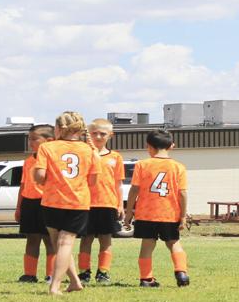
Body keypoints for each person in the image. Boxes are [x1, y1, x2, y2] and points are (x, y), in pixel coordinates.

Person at [32, 111, 97, 296]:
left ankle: (55, 285)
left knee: (59, 244)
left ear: (59, 128)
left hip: (52, 201)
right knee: (65, 245)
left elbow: (40, 176)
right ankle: (74, 282)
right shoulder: (89, 150)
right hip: (77, 201)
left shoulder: (47, 147)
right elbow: (93, 181)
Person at [125, 129, 191, 288]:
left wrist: (129, 212)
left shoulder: (142, 165)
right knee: (173, 243)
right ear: (172, 146)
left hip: (146, 214)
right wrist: (183, 216)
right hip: (169, 213)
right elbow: (182, 193)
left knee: (147, 245)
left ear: (148, 146)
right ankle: (181, 272)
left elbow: (134, 190)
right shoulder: (178, 167)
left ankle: (146, 279)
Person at [78, 119, 125, 284]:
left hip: (107, 203)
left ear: (110, 135)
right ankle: (84, 272)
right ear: (88, 135)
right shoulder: (84, 154)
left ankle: (103, 272)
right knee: (86, 239)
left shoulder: (115, 157)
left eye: (102, 134)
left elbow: (118, 184)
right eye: (94, 133)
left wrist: (120, 204)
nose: (98, 136)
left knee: (106, 239)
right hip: (86, 204)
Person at [16, 123, 55, 282]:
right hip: (29, 204)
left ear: (49, 141)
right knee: (32, 239)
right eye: (29, 139)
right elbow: (23, 185)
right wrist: (19, 207)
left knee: (50, 240)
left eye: (34, 139)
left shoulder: (54, 160)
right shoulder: (28, 161)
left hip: (47, 203)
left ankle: (51, 274)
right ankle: (29, 274)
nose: (30, 142)